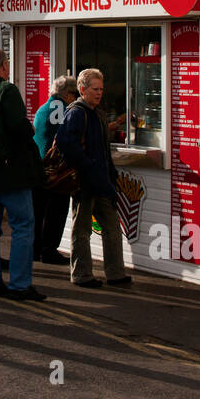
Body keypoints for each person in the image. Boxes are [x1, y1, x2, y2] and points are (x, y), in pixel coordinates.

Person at [0, 48, 46, 301]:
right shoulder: (7, 90)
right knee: (23, 226)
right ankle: (19, 284)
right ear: (4, 66)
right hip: (12, 170)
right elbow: (19, 127)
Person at [55, 67, 131, 289]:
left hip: (101, 181)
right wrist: (87, 166)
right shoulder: (77, 113)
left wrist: (110, 174)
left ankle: (115, 273)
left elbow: (103, 150)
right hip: (85, 182)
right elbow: (65, 143)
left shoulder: (97, 113)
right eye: (95, 89)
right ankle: (81, 274)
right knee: (82, 230)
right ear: (82, 89)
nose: (99, 93)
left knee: (112, 228)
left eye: (101, 89)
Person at [33, 74, 78, 266]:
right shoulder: (59, 106)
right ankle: (49, 250)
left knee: (40, 211)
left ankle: (37, 249)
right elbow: (61, 135)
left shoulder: (45, 106)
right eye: (75, 94)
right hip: (53, 170)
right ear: (67, 94)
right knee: (56, 211)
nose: (76, 98)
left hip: (39, 168)